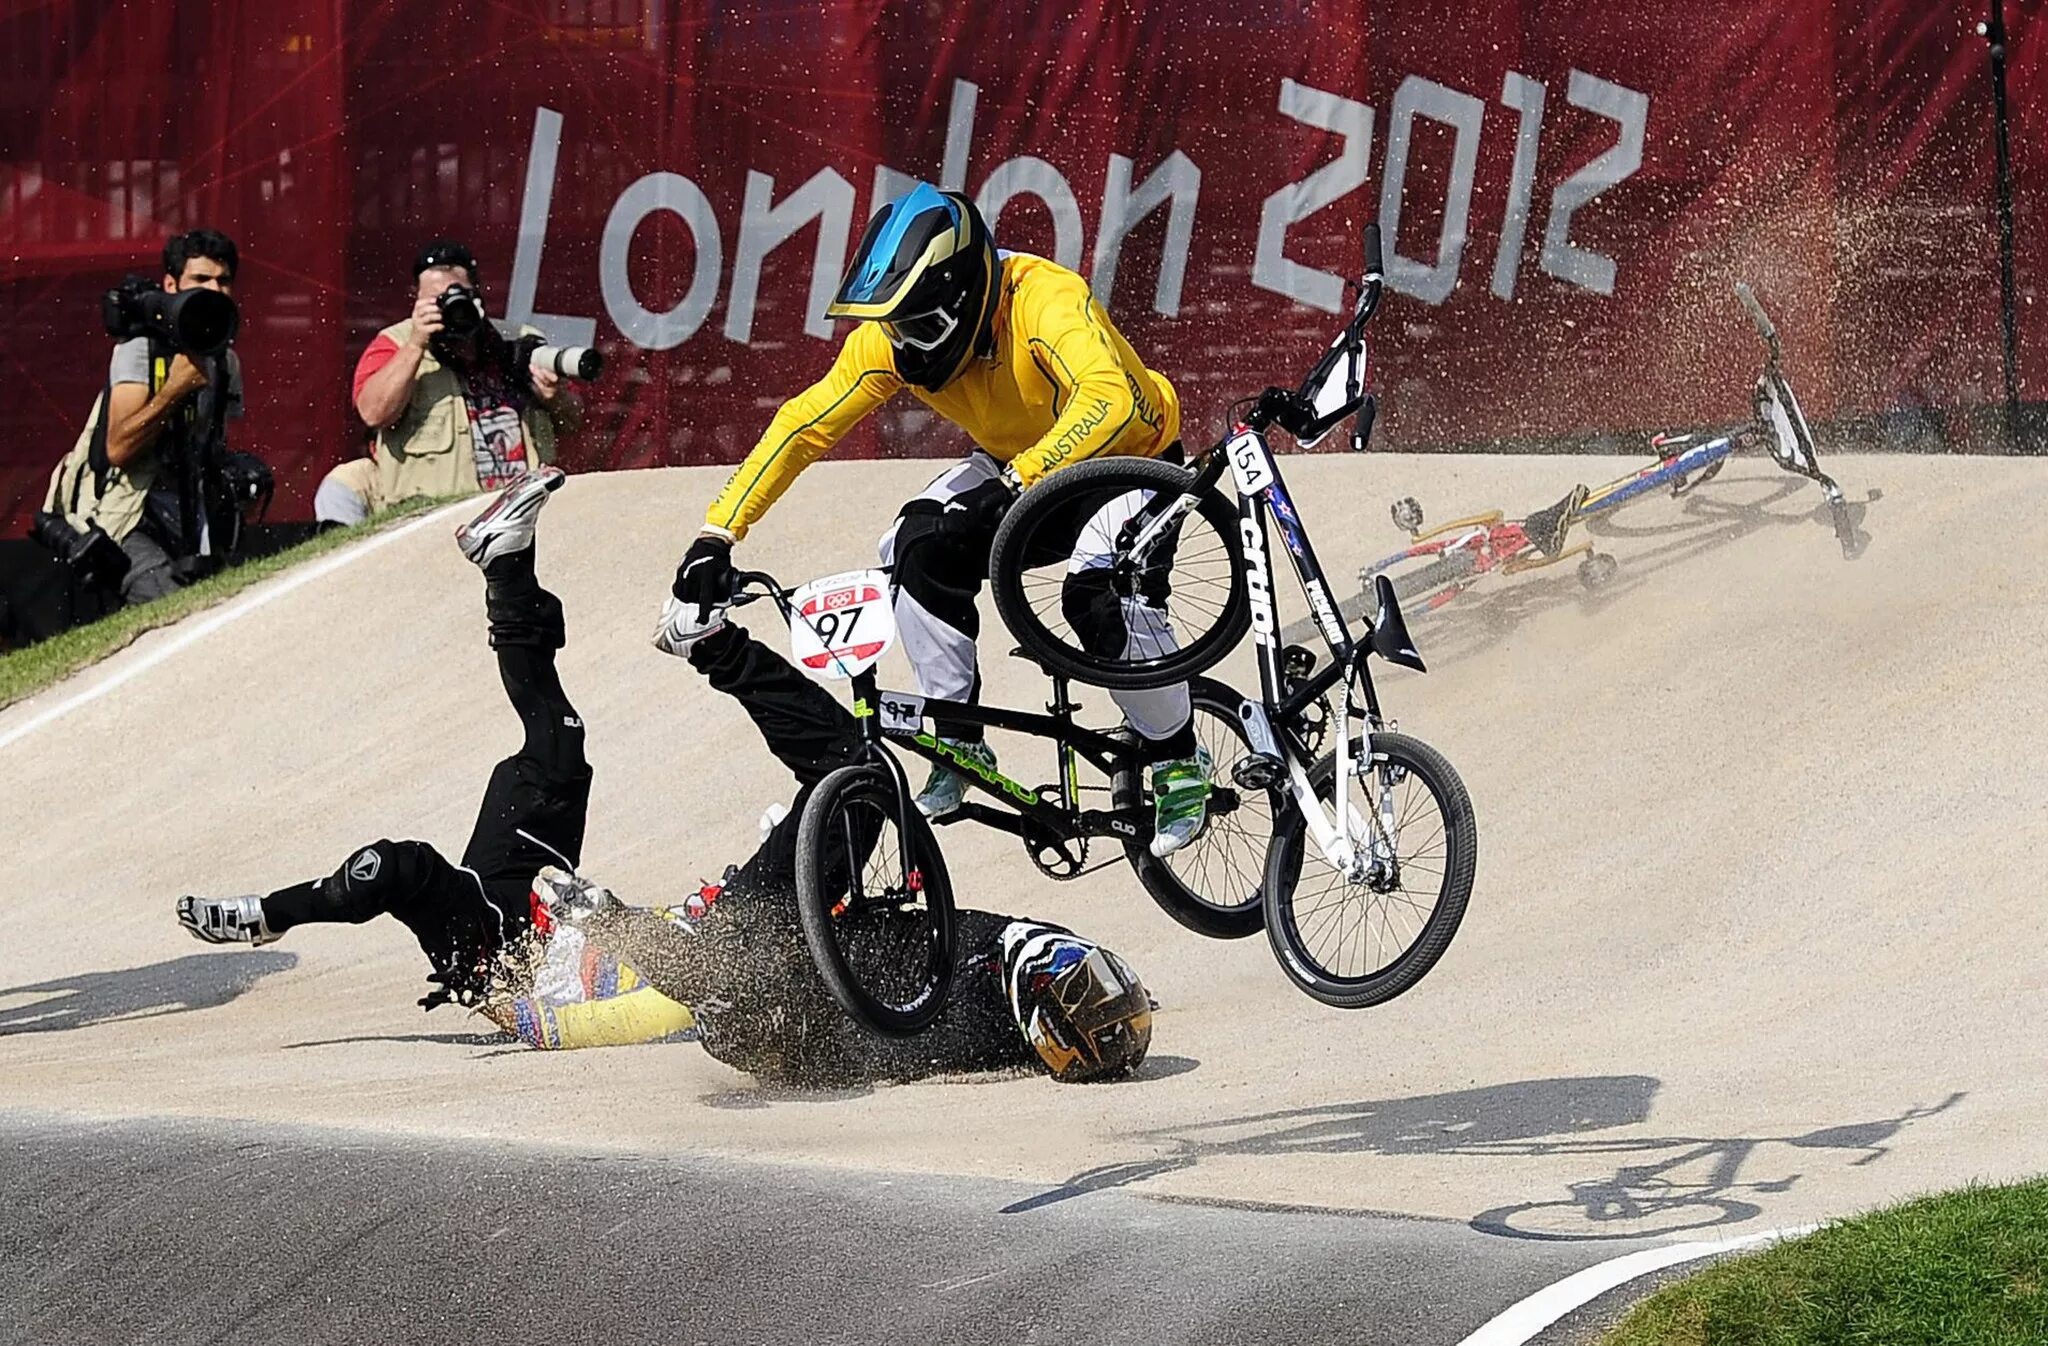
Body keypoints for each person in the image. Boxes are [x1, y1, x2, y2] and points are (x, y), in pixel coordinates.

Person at [176, 471, 1151, 1085]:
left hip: (614, 981)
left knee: (394, 866)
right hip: (685, 945)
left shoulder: (502, 972)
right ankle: (510, 567)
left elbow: (714, 1012)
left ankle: (264, 913)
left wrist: (613, 927)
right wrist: (1050, 953)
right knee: (556, 740)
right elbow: (983, 952)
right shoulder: (965, 1000)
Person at [660, 183, 1211, 857]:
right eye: (891, 326)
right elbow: (804, 426)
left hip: (1129, 458)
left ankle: (1179, 758)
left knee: (1094, 592)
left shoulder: (1042, 297)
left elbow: (1111, 398)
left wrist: (1017, 481)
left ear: (965, 298)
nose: (902, 347)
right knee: (916, 542)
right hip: (1023, 468)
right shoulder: (894, 340)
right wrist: (717, 533)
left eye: (915, 326)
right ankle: (957, 737)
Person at [41, 229, 247, 606]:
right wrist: (173, 390)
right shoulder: (141, 348)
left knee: (234, 602)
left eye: (224, 280)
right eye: (201, 279)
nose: (214, 291)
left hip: (187, 512)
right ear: (172, 285)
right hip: (124, 512)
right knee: (175, 605)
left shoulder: (225, 359)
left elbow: (210, 443)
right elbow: (118, 448)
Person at [313, 240, 581, 525]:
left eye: (459, 296)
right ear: (416, 300)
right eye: (435, 300)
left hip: (524, 508)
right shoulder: (395, 343)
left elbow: (574, 419)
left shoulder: (520, 341)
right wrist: (416, 344)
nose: (449, 307)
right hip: (433, 519)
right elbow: (372, 413)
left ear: (476, 295)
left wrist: (556, 396)